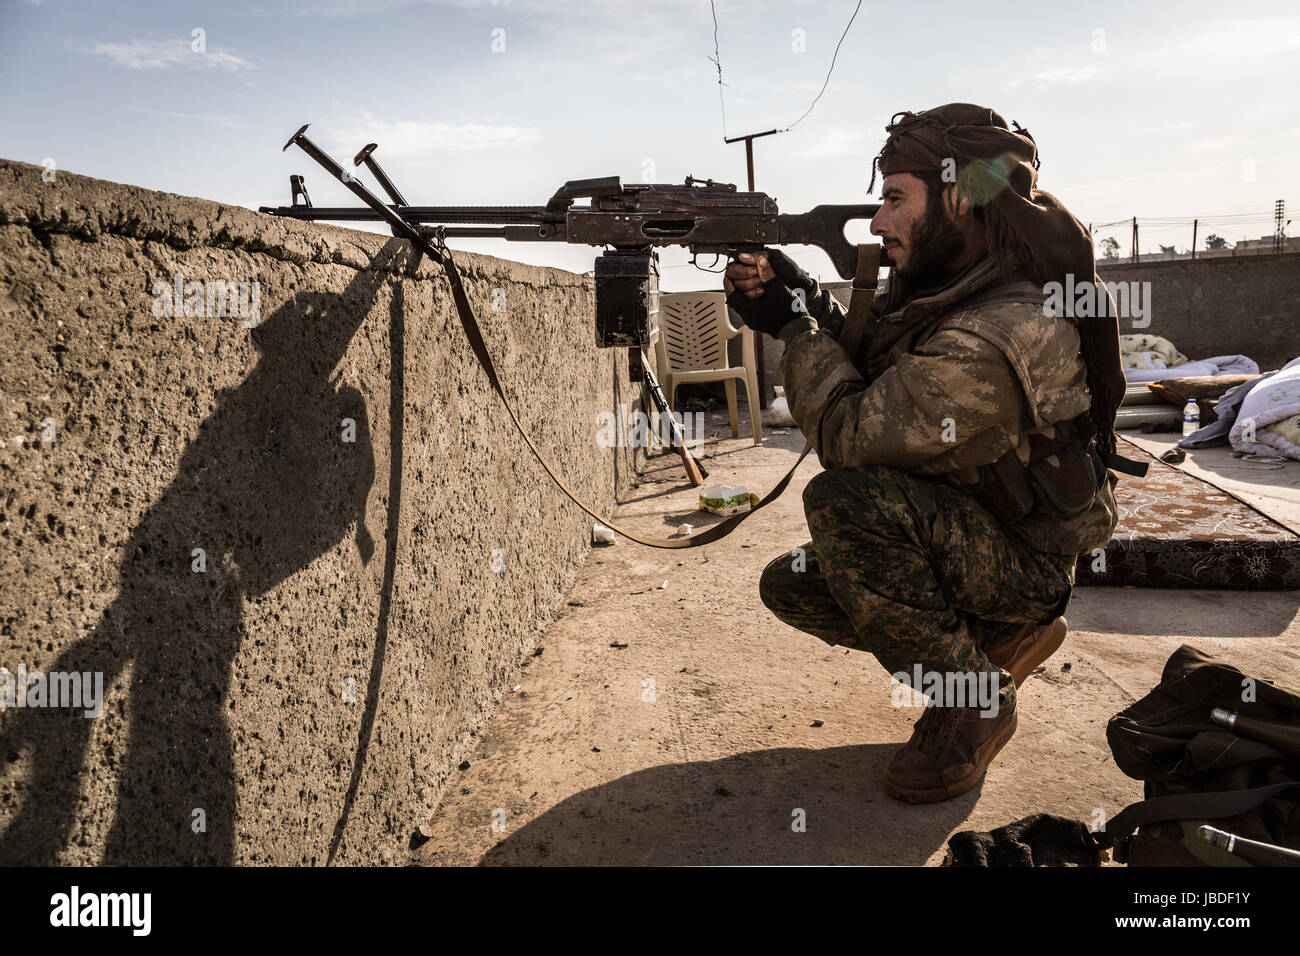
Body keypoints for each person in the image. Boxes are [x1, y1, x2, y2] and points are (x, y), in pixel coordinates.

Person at [724, 103, 1134, 804]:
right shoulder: (952, 288)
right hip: (975, 531)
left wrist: (794, 333)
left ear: (959, 200)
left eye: (893, 199)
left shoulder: (999, 332)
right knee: (794, 582)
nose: (878, 222)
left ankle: (975, 698)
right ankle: (995, 648)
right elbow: (877, 359)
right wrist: (802, 302)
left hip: (1024, 557)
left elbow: (852, 436)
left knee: (848, 507)